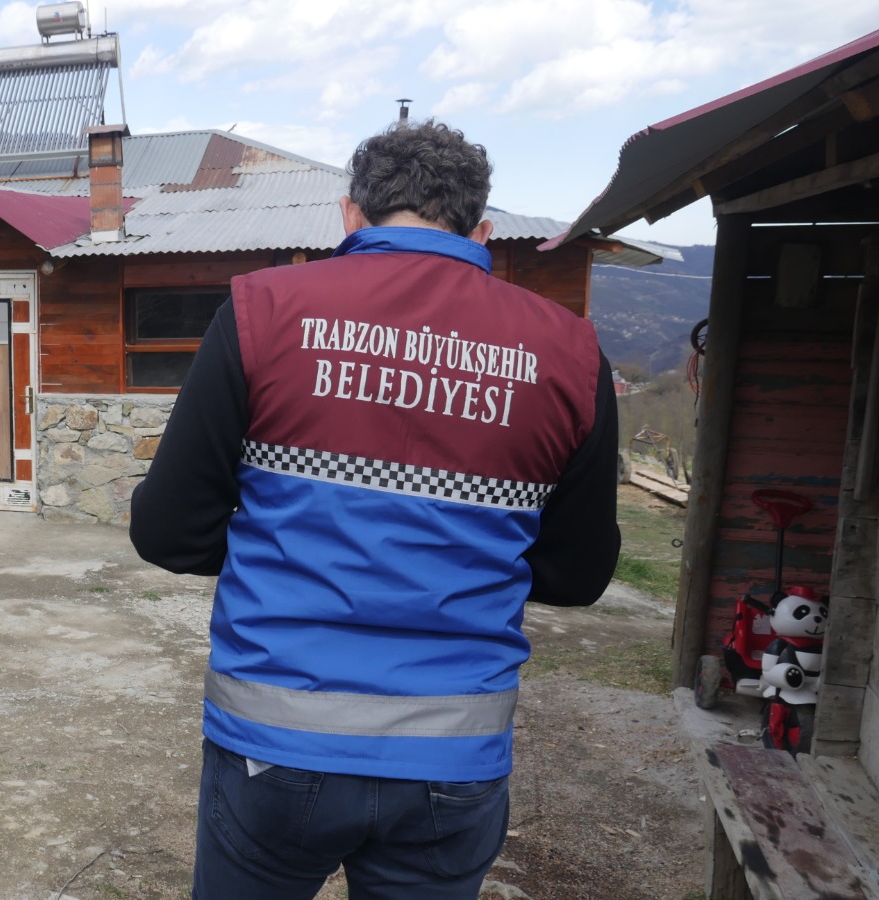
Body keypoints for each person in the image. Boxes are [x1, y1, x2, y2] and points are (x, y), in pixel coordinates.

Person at [129, 120, 620, 899]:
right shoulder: (570, 352)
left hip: (273, 737)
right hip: (452, 756)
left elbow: (166, 531)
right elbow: (578, 572)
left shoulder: (265, 311)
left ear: (350, 214)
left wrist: (285, 544)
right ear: (483, 231)